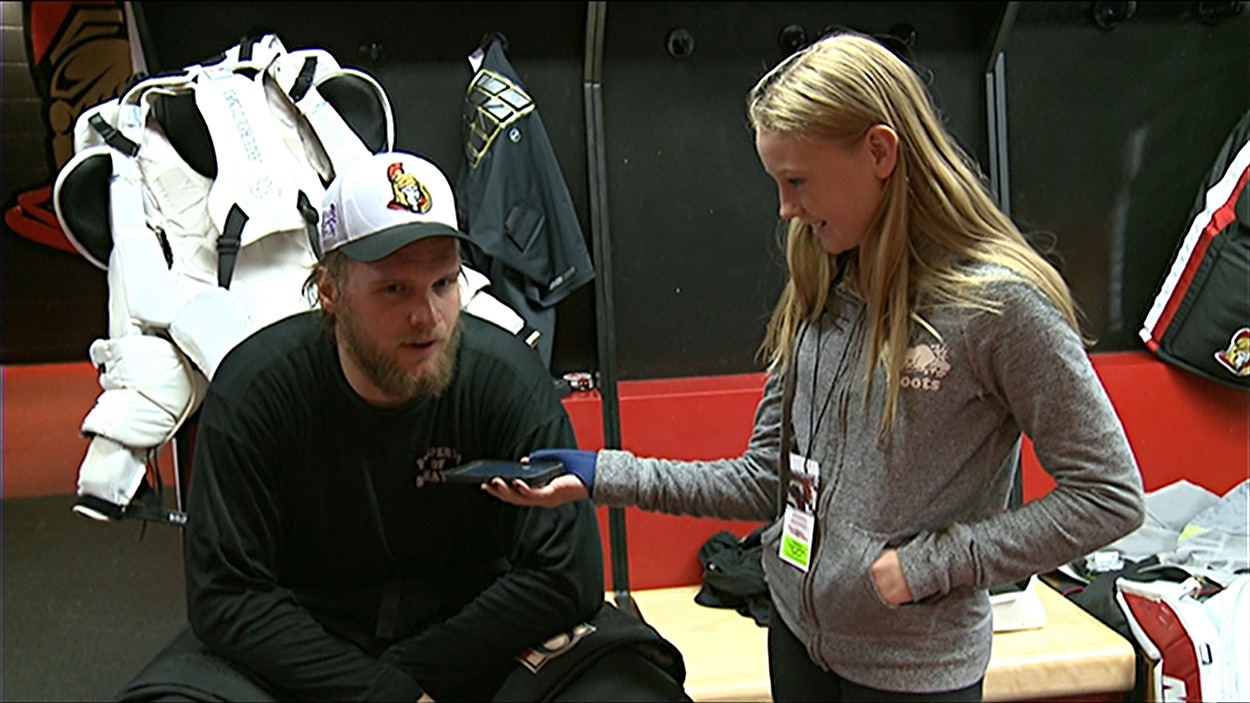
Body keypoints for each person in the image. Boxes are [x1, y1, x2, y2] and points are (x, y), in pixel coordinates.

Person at [484, 31, 1147, 703]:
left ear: (880, 152)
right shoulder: (821, 282)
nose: (784, 207)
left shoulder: (999, 305)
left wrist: (929, 565)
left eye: (796, 180)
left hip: (912, 675)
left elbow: (1108, 494)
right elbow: (762, 483)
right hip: (796, 640)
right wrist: (594, 473)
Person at [118, 151, 688, 702]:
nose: (427, 318)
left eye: (443, 284)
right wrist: (373, 692)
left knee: (634, 691)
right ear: (330, 291)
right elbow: (228, 595)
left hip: (478, 641)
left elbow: (566, 576)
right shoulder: (255, 391)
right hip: (309, 648)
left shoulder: (506, 379)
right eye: (394, 290)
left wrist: (406, 681)